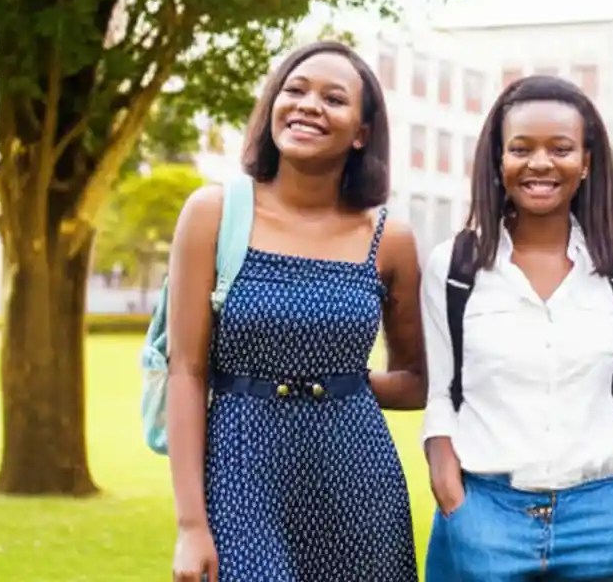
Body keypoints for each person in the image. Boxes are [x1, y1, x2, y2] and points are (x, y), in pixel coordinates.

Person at [165, 40, 425, 582]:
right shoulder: (213, 213)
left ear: (362, 132)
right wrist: (191, 524)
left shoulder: (389, 239)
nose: (309, 105)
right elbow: (186, 371)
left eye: (334, 98)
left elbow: (417, 380)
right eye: (295, 90)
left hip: (356, 476)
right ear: (273, 107)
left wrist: (334, 384)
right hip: (241, 468)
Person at [421, 75, 613, 581]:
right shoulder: (455, 266)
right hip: (485, 518)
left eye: (561, 148)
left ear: (586, 161)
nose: (539, 163)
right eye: (520, 148)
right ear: (498, 160)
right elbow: (442, 394)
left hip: (606, 519)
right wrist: (453, 499)